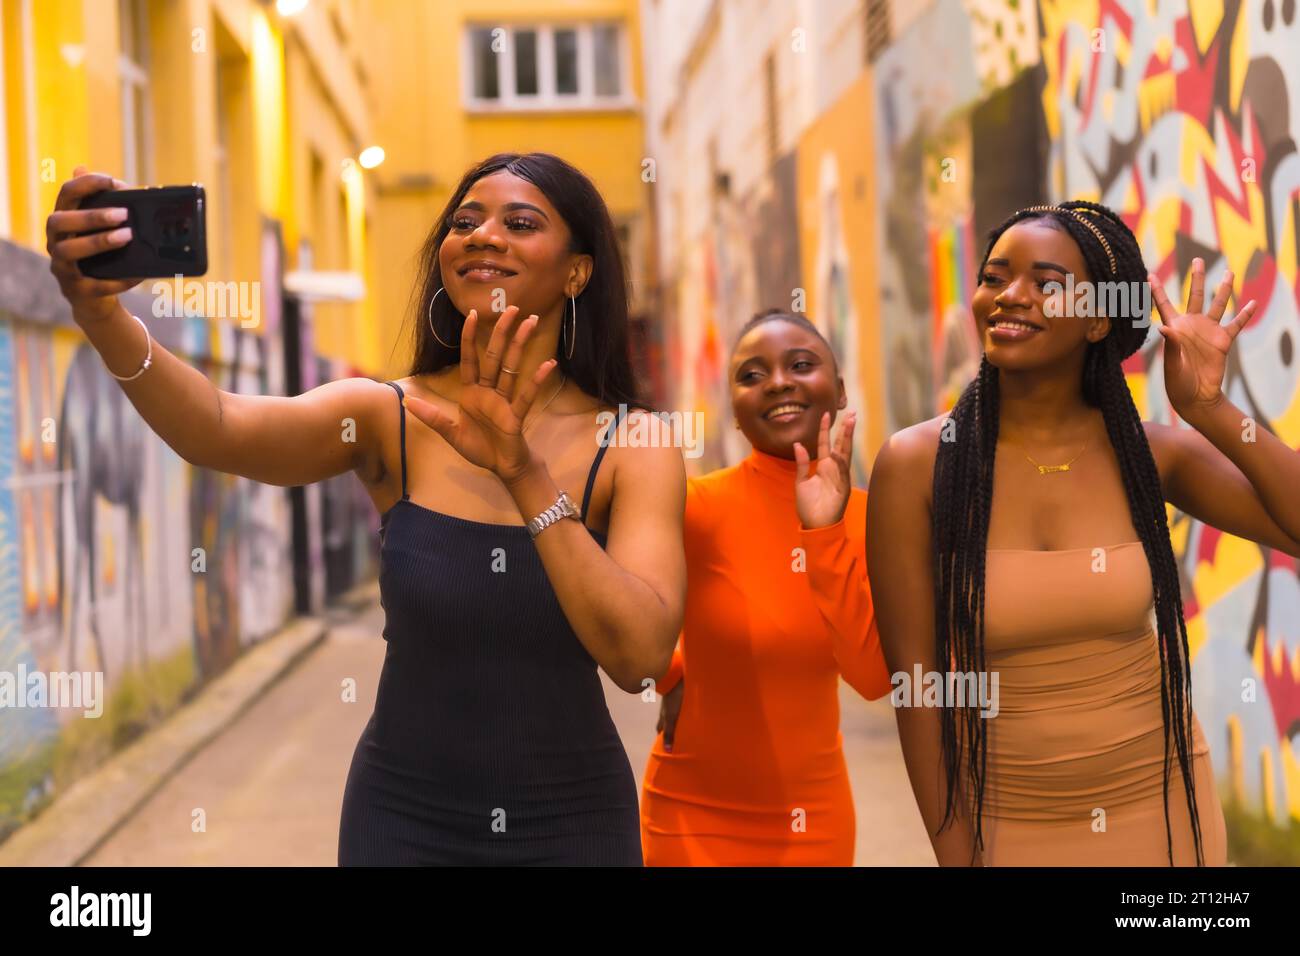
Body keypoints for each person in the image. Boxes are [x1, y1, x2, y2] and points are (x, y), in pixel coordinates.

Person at [47, 153, 686, 866]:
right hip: (402, 822)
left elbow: (640, 656)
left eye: (521, 222)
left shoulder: (633, 444)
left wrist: (522, 471)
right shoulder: (390, 415)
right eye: (465, 221)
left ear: (578, 271)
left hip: (573, 828)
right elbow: (217, 428)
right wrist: (100, 314)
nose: (482, 235)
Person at [867, 200, 1300, 865]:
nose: (1010, 296)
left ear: (1099, 319)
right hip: (1003, 820)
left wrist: (1210, 410)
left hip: (1160, 812)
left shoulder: (1150, 456)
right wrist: (959, 856)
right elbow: (919, 690)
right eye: (994, 277)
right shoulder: (918, 465)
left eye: (1046, 283)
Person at [640, 309, 891, 865]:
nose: (777, 382)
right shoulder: (694, 508)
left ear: (841, 390)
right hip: (689, 815)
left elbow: (872, 678)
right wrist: (667, 668)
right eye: (751, 375)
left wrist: (824, 530)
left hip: (812, 821)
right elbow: (613, 599)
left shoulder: (874, 522)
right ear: (734, 412)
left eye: (800, 365)